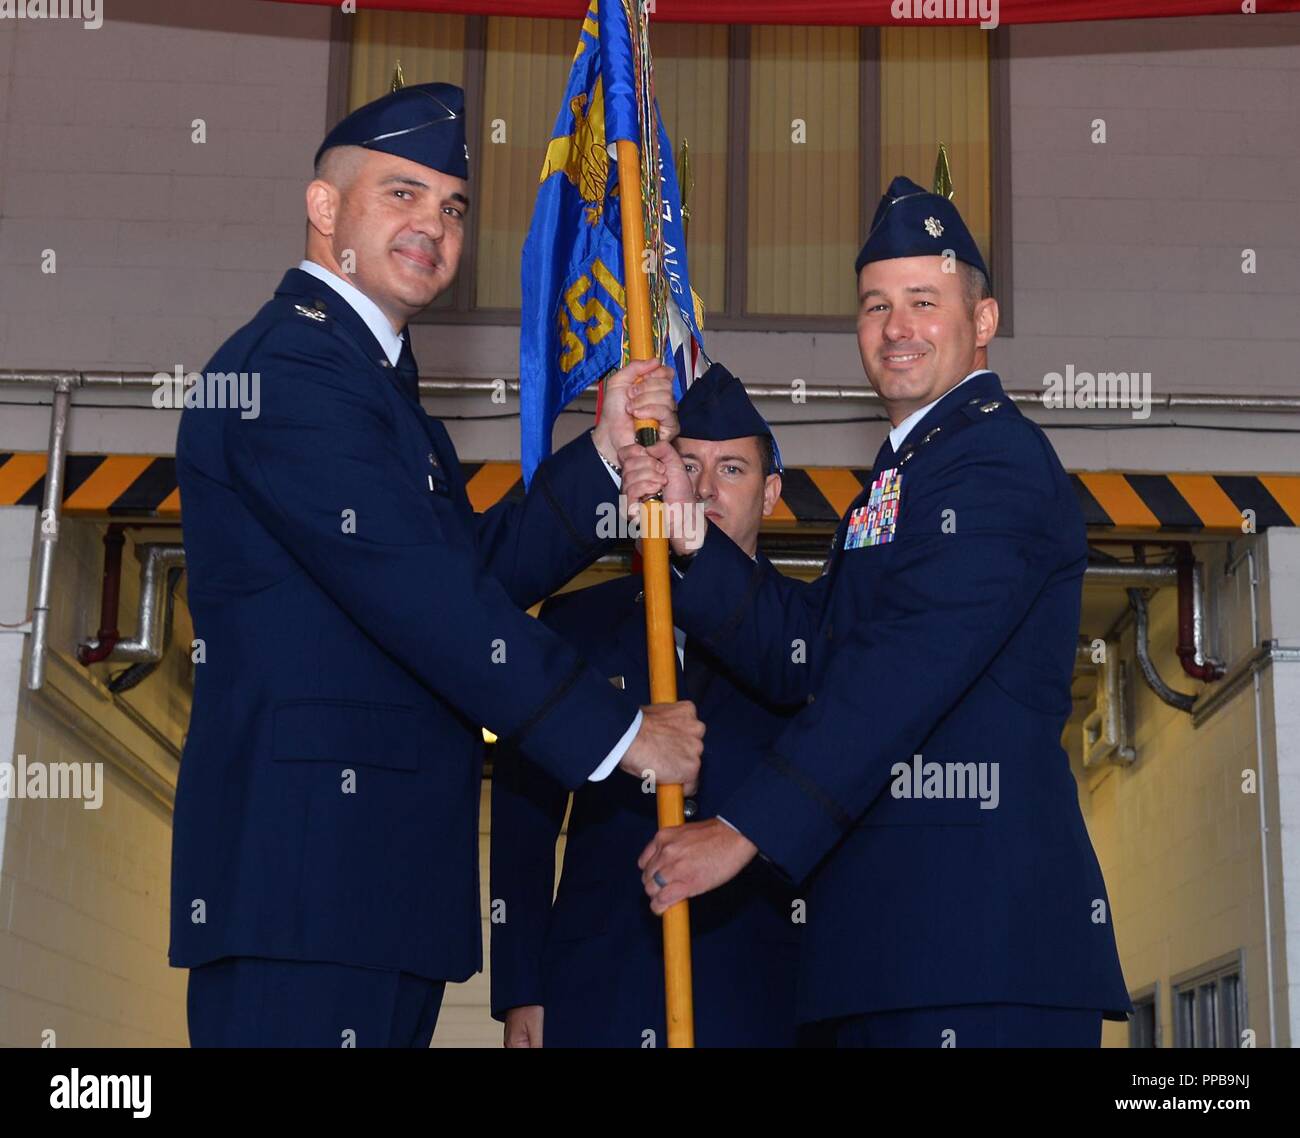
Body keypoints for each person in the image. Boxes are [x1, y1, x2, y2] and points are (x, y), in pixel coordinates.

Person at [170, 82, 703, 1048]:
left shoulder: (372, 386)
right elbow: (426, 600)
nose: (435, 224)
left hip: (371, 893)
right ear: (324, 208)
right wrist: (622, 735)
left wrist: (600, 458)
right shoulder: (291, 373)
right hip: (309, 892)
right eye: (402, 194)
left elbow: (465, 575)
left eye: (452, 206)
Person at [638, 176, 1132, 1047]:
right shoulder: (902, 477)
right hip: (882, 952)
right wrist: (688, 533)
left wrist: (747, 827)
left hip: (975, 948)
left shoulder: (995, 462)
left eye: (922, 301)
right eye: (875, 305)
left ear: (982, 320)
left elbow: (902, 668)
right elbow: (808, 653)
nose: (896, 328)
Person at [490, 364, 804, 1048]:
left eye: (733, 470)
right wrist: (522, 987)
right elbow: (524, 818)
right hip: (600, 981)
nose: (708, 489)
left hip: (763, 986)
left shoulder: (812, 630)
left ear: (772, 493)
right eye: (688, 463)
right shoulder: (577, 625)